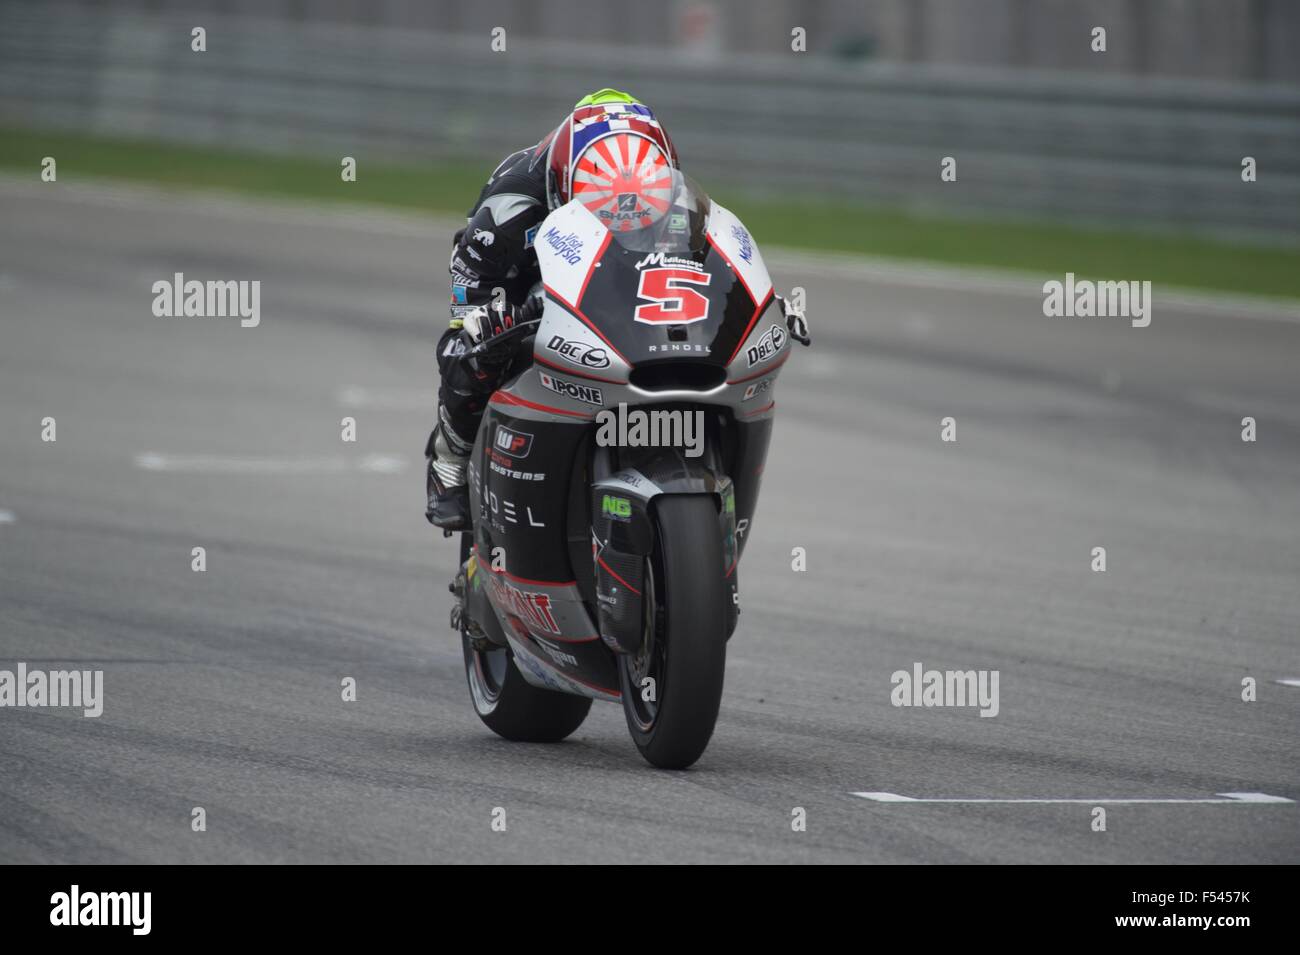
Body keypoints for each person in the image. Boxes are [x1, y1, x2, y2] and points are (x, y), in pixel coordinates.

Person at [424, 89, 680, 529]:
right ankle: (450, 461)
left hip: (616, 272)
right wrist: (490, 320)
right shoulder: (507, 212)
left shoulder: (661, 189)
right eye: (606, 215)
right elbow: (469, 298)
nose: (621, 224)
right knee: (470, 350)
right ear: (564, 191)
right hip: (517, 275)